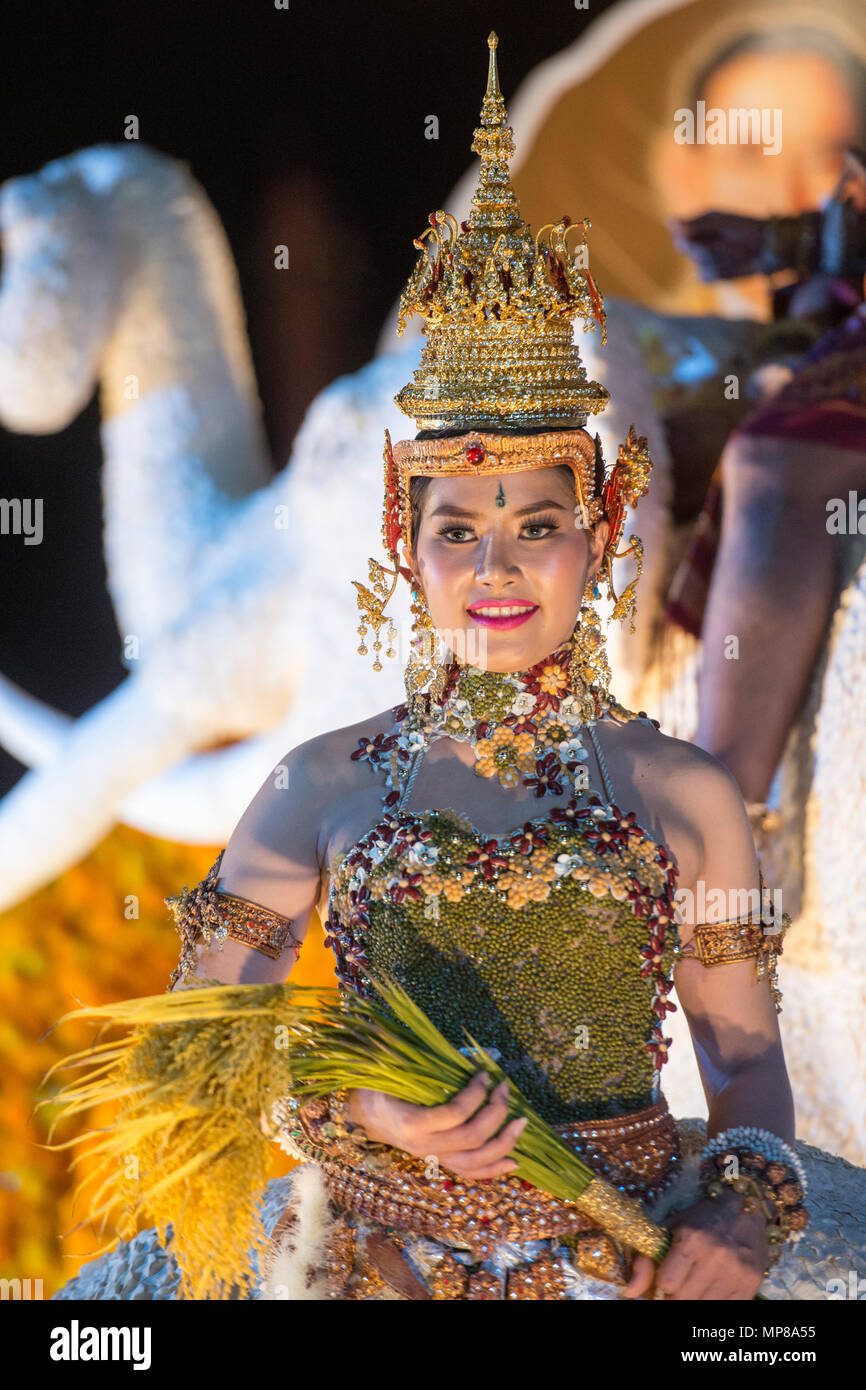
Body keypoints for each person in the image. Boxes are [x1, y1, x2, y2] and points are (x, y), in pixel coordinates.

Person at [53, 33, 865, 1303]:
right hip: (361, 1261)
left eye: (536, 524)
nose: (496, 565)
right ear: (404, 545)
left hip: (622, 1262)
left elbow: (748, 1073)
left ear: (599, 539)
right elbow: (203, 1043)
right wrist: (362, 1102)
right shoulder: (317, 781)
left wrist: (746, 1213)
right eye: (456, 529)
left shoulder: (688, 790)